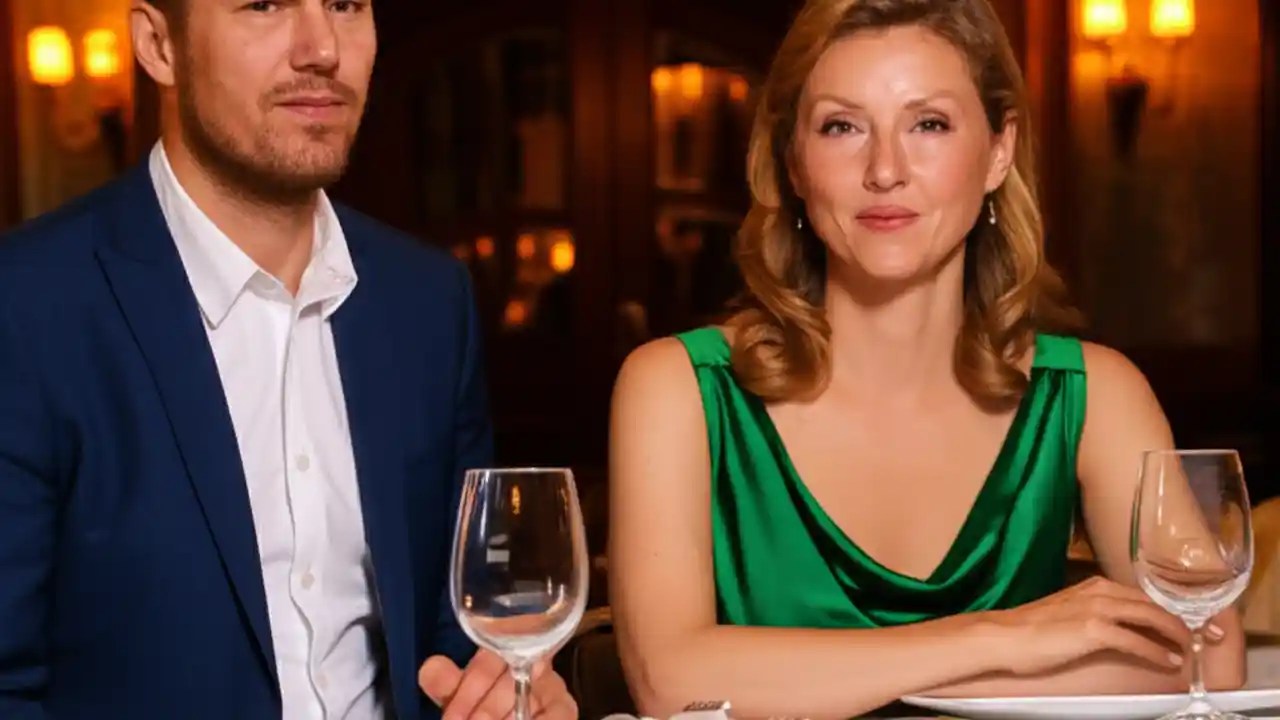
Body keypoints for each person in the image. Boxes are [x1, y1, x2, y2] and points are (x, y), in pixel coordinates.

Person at [607, 0, 1246, 717]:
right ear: (793, 162)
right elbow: (669, 679)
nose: (886, 169)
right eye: (842, 127)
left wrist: (817, 681)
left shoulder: (1093, 392)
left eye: (929, 124)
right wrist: (1004, 639)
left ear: (999, 150)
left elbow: (1207, 649)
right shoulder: (677, 388)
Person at [0, 1, 576, 718]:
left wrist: (502, 691)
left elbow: (456, 633)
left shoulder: (428, 302)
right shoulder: (27, 307)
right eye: (264, 5)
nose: (321, 49)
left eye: (344, 5)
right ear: (158, 44)